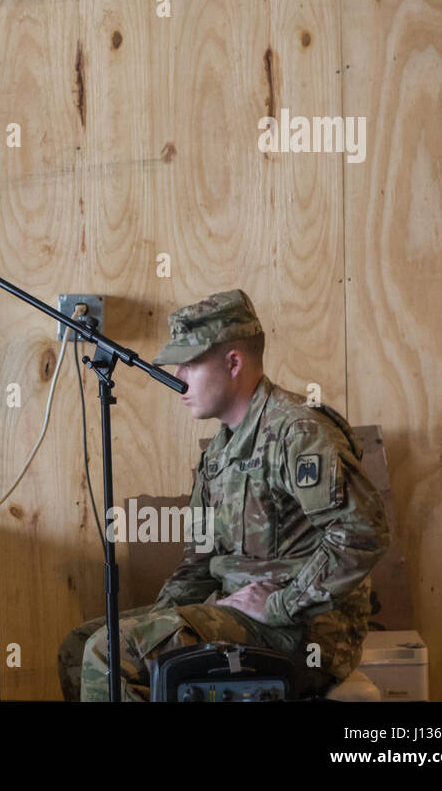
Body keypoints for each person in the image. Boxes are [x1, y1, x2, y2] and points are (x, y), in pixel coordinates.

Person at [56, 289, 389, 701]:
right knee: (80, 644)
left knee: (108, 655)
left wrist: (282, 604)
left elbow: (363, 533)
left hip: (302, 632)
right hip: (234, 611)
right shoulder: (220, 451)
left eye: (190, 364)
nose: (176, 379)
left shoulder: (298, 433)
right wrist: (164, 618)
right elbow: (199, 562)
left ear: (233, 362)